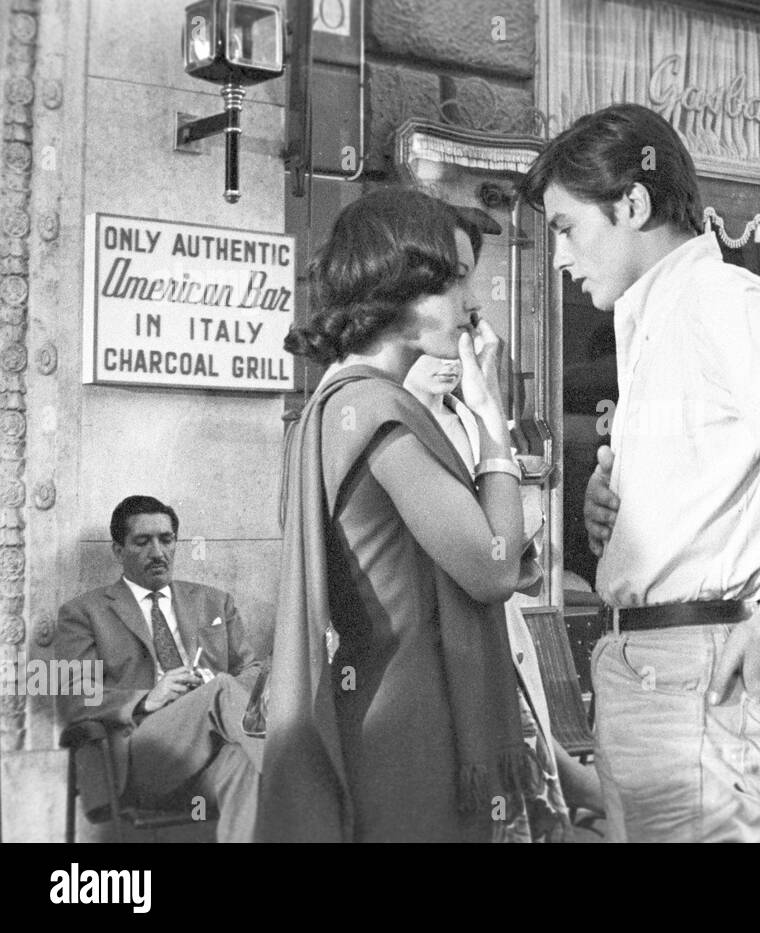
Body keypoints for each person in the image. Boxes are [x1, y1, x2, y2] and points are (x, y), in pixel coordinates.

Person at [517, 104, 760, 843]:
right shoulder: (659, 318)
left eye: (568, 228)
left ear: (632, 204)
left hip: (694, 675)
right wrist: (618, 507)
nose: (560, 257)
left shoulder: (720, 304)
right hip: (658, 673)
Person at [258, 187, 537, 842]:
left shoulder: (338, 402)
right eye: (455, 284)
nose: (473, 306)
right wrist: (494, 423)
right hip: (412, 731)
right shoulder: (375, 409)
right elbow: (493, 566)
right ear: (399, 291)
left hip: (386, 708)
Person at [404, 353, 606, 840]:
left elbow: (511, 549)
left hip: (494, 624)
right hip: (433, 637)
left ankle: (578, 798)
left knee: (519, 769)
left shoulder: (468, 420)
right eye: (437, 342)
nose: (453, 356)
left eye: (464, 337)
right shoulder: (393, 424)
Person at [55, 495, 264, 842]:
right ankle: (296, 769)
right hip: (142, 758)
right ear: (118, 551)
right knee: (224, 690)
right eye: (142, 541)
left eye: (166, 540)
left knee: (245, 769)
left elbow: (254, 670)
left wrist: (208, 682)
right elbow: (73, 697)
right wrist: (148, 698)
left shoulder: (214, 601)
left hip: (212, 752)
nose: (158, 552)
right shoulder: (84, 613)